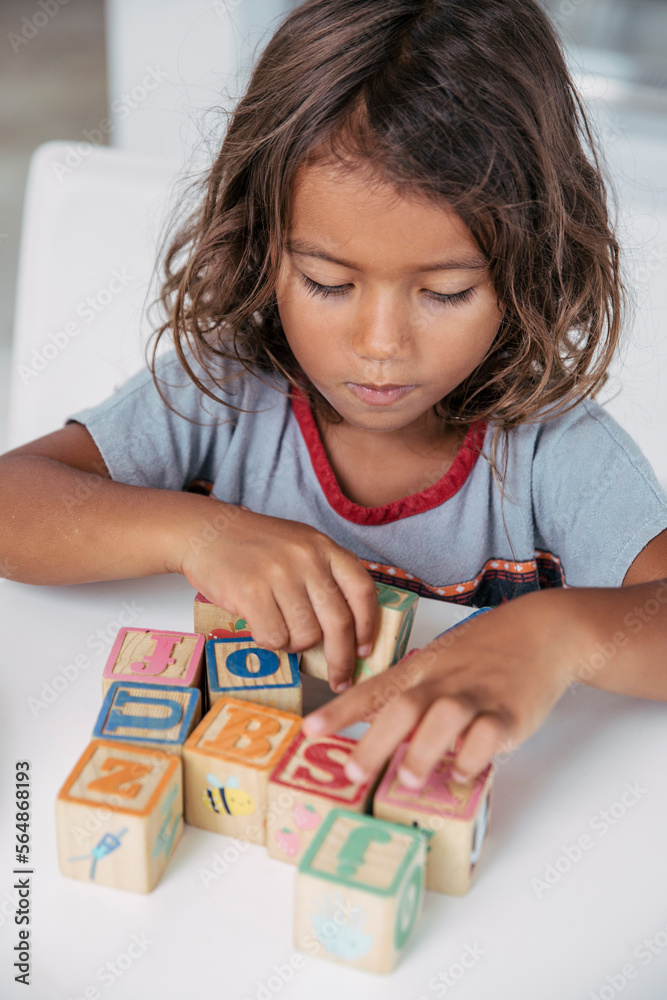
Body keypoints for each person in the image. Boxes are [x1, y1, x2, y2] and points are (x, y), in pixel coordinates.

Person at [1, 0, 666, 793]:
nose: (380, 344)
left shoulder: (555, 455)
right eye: (327, 282)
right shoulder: (223, 392)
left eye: (445, 292)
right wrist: (203, 533)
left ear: (529, 270)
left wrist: (553, 634)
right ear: (262, 246)